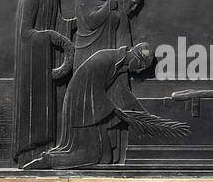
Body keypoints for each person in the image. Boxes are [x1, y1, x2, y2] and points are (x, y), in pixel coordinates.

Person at [24, 43, 186, 170]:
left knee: (106, 156)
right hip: (83, 108)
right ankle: (50, 159)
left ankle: (55, 156)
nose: (140, 71)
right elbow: (90, 90)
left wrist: (147, 118)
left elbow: (124, 96)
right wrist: (116, 111)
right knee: (90, 155)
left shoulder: (119, 64)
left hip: (92, 108)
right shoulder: (106, 58)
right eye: (142, 66)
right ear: (136, 58)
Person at [12, 0, 73, 166]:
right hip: (32, 63)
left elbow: (57, 22)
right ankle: (27, 155)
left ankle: (46, 153)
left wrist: (74, 25)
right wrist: (51, 37)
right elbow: (24, 33)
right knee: (33, 109)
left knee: (47, 110)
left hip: (47, 60)